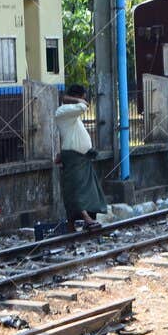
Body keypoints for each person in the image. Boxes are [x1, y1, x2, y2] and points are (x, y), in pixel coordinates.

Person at [55, 84, 108, 229]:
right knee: (77, 189)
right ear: (76, 97)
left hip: (81, 158)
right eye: (82, 97)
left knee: (87, 191)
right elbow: (84, 106)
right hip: (74, 158)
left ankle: (84, 219)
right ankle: (84, 218)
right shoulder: (63, 111)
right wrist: (72, 99)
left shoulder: (70, 114)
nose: (84, 100)